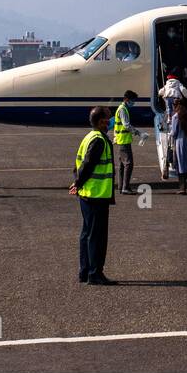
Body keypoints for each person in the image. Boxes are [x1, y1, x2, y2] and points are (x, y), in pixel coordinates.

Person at [70, 106, 116, 285]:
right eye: (108, 118)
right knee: (97, 236)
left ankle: (84, 271)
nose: (110, 121)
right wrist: (78, 182)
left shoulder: (89, 137)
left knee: (87, 234)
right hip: (97, 194)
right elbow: (87, 165)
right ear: (101, 121)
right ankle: (95, 274)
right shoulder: (99, 140)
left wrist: (77, 183)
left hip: (87, 194)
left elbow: (77, 165)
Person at [113, 90, 138, 195]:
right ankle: (125, 187)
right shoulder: (123, 109)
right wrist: (138, 132)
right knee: (129, 164)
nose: (133, 103)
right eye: (133, 101)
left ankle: (121, 186)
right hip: (123, 141)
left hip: (121, 140)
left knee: (122, 165)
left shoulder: (122, 108)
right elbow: (126, 125)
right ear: (127, 99)